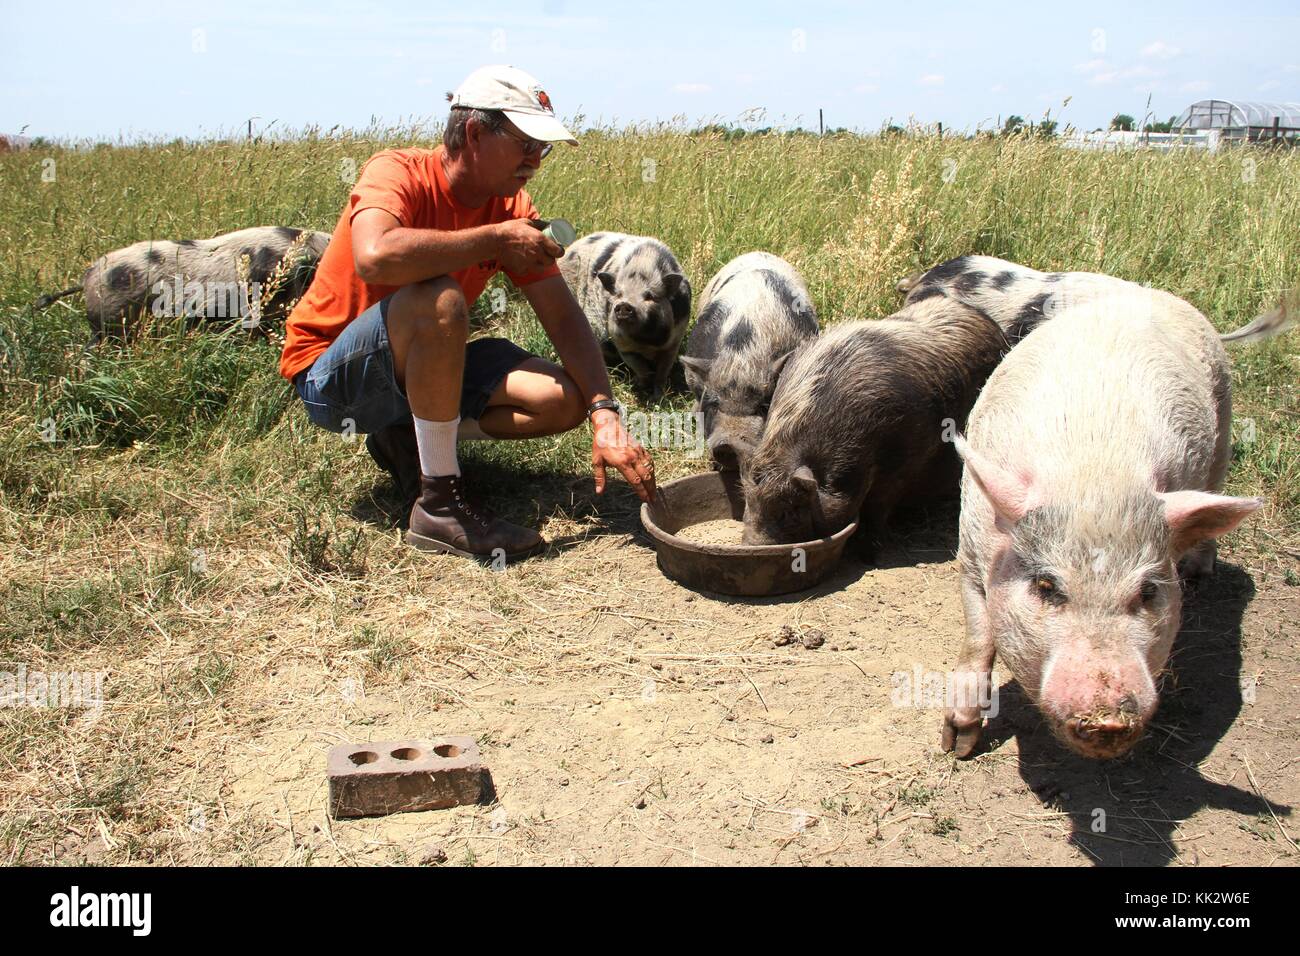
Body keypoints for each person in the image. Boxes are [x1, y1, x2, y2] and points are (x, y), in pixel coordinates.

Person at [278, 65, 656, 561]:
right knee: (440, 299)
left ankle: (412, 435)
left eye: (542, 149)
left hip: (414, 364)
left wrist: (604, 412)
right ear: (475, 132)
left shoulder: (511, 205)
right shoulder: (396, 172)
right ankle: (439, 505)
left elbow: (562, 317)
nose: (535, 162)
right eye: (526, 144)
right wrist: (495, 238)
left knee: (562, 399)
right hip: (333, 377)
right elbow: (375, 255)